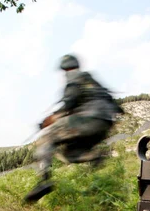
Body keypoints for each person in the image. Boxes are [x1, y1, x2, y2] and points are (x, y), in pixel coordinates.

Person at [24, 54, 123, 202]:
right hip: (104, 124)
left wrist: (46, 122)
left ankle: (43, 181)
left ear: (65, 68)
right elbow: (116, 106)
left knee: (46, 139)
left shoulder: (74, 76)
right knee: (69, 154)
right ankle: (95, 156)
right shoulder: (92, 81)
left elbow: (68, 104)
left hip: (87, 120)